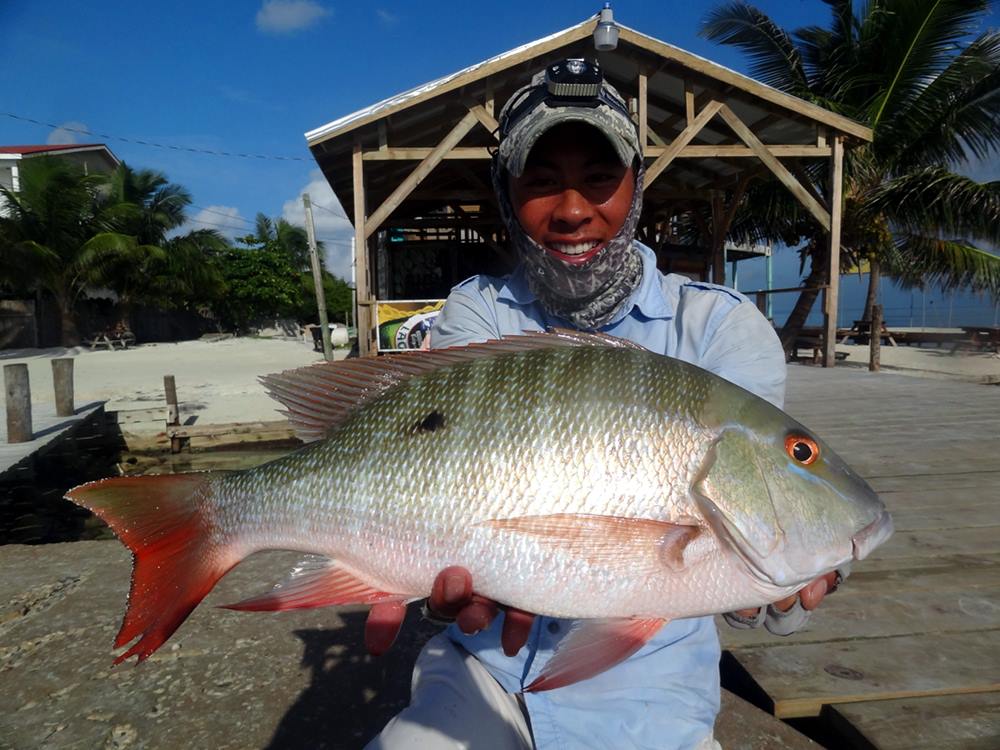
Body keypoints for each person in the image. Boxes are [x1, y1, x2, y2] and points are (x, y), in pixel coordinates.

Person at [366, 59, 840, 750]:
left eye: (598, 177)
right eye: (540, 181)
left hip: (649, 693)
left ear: (637, 187)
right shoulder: (476, 313)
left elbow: (749, 545)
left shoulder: (719, 330)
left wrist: (784, 584)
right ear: (506, 195)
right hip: (486, 672)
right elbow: (434, 480)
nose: (572, 209)